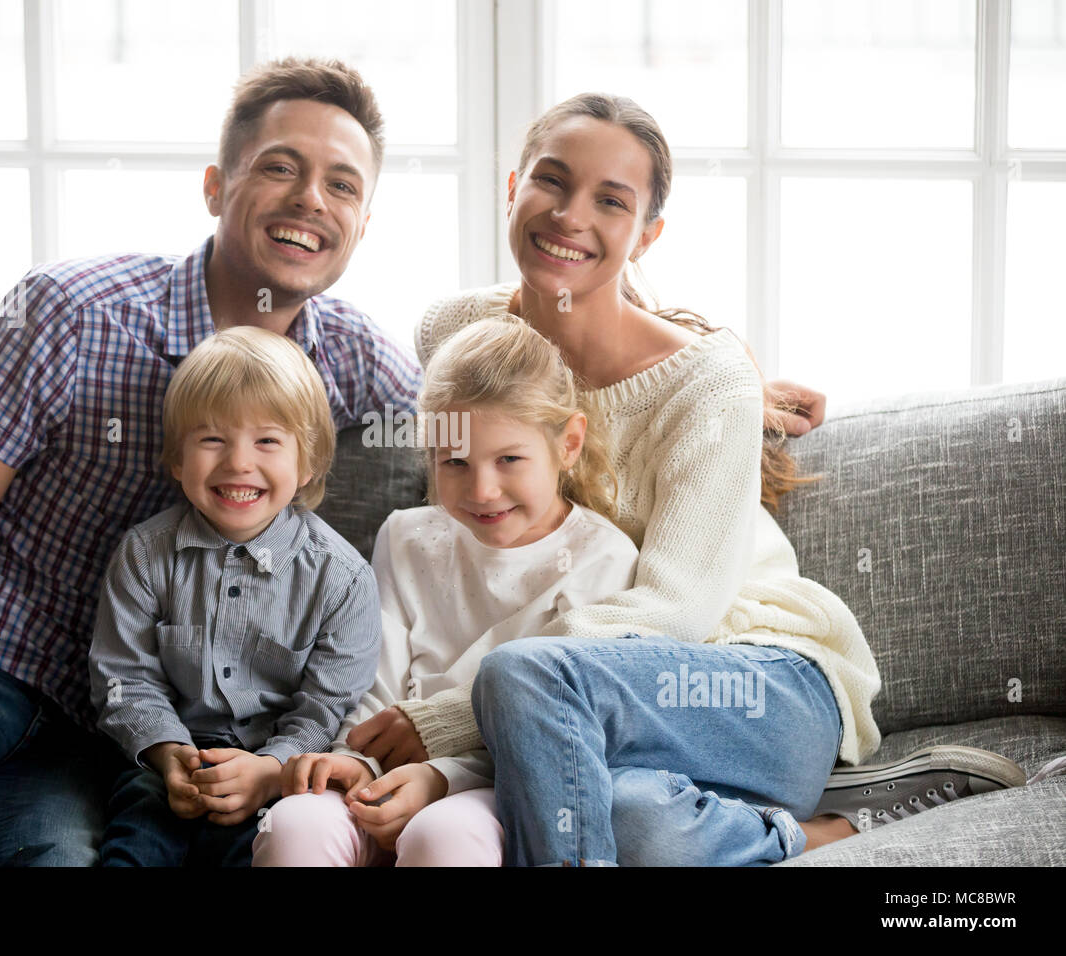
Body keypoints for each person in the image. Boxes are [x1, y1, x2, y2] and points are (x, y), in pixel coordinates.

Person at [347, 92, 1025, 866]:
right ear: (512, 188)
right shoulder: (455, 331)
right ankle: (817, 829)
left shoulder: (707, 385)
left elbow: (677, 608)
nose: (570, 215)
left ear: (647, 234)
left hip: (754, 682)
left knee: (521, 673)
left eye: (611, 200)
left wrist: (448, 719)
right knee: (633, 826)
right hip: (593, 711)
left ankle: (779, 790)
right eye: (551, 181)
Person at [0, 57, 422, 867]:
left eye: (343, 186)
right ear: (215, 187)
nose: (311, 200)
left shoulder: (348, 354)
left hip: (85, 744)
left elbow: (489, 425)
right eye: (280, 168)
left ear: (363, 224)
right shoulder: (70, 312)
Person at [251, 318, 639, 866]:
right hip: (383, 772)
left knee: (444, 836)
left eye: (509, 459)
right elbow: (373, 676)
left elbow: (562, 729)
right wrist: (355, 761)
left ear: (568, 443)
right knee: (297, 822)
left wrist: (439, 777)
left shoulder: (602, 558)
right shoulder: (408, 535)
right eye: (454, 462)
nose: (482, 490)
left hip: (499, 781)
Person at [88, 327, 380, 867]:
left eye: (267, 441)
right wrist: (167, 754)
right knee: (136, 844)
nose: (239, 463)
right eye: (212, 440)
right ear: (177, 459)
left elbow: (327, 707)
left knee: (267, 848)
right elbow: (124, 678)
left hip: (275, 775)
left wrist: (270, 771)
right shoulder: (145, 554)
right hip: (167, 765)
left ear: (307, 462)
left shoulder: (343, 578)